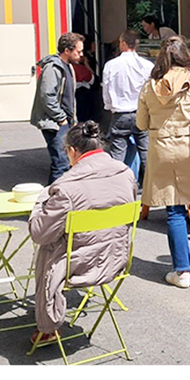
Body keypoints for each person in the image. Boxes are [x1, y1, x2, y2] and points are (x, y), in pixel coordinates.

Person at [27, 121, 139, 351]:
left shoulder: (66, 188)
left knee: (48, 248)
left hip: (76, 267)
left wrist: (40, 202)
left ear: (72, 151)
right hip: (115, 261)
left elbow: (39, 233)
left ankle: (48, 326)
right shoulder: (126, 174)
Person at [137, 36, 190, 289]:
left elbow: (141, 124)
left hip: (161, 150)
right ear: (185, 55)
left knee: (173, 210)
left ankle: (181, 271)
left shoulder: (149, 86)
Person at [31, 33, 84, 183]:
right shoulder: (53, 68)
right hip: (54, 122)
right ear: (67, 50)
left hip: (64, 122)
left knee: (65, 161)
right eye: (78, 51)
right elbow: (47, 95)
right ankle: (53, 200)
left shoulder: (67, 67)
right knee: (61, 163)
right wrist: (61, 118)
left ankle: (58, 198)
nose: (81, 55)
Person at [102, 31, 154, 181]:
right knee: (146, 152)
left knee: (118, 153)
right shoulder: (147, 65)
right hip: (141, 112)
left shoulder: (111, 65)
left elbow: (106, 89)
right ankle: (151, 185)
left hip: (120, 113)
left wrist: (109, 107)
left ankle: (118, 185)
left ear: (123, 43)